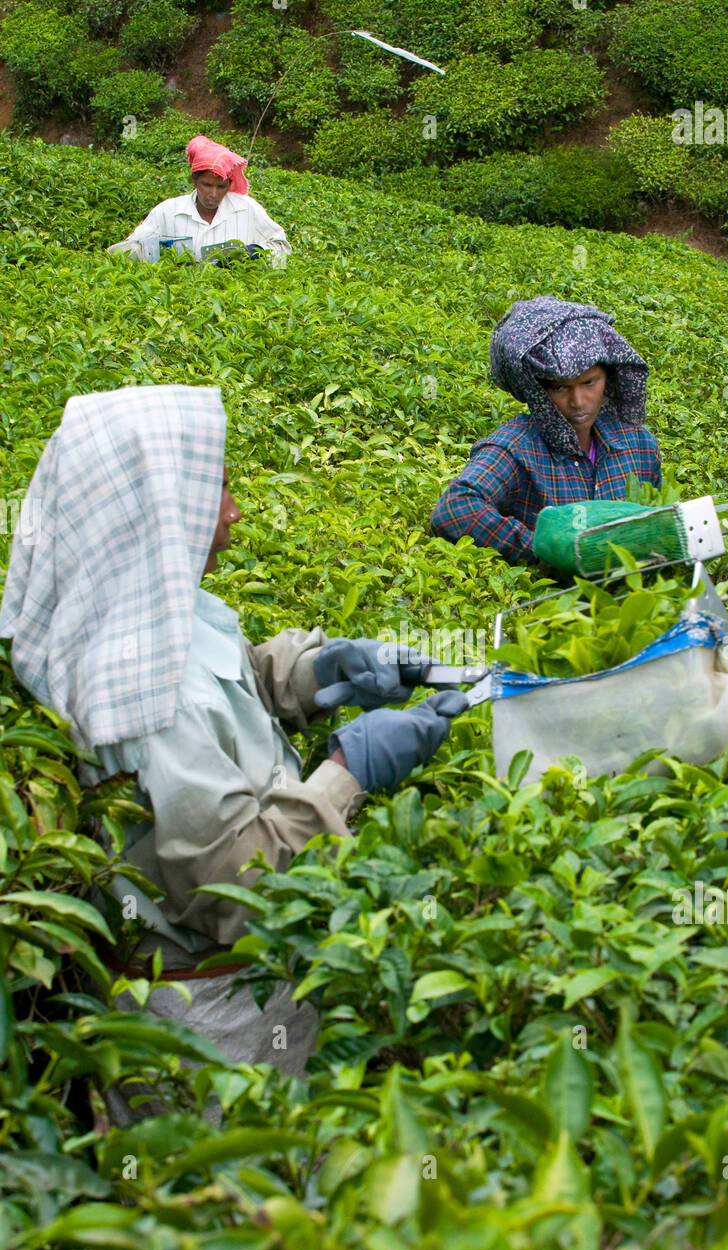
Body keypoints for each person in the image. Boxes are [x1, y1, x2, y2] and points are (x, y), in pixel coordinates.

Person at [0, 384, 466, 1110]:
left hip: (240, 990)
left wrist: (319, 672)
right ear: (156, 508)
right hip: (215, 1017)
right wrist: (346, 772)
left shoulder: (140, 602)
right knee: (252, 1169)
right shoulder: (149, 701)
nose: (233, 512)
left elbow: (231, 679)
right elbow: (235, 888)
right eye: (213, 491)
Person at [430, 298, 662, 566]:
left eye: (589, 383)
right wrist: (546, 553)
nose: (578, 401)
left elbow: (658, 529)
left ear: (607, 378)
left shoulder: (638, 446)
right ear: (537, 389)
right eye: (559, 388)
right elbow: (455, 509)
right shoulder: (517, 446)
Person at [106, 135, 292, 265]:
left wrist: (255, 253)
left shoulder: (247, 208)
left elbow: (281, 246)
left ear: (229, 184)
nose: (213, 194)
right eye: (207, 185)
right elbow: (124, 251)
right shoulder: (168, 212)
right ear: (194, 182)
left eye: (221, 187)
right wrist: (158, 253)